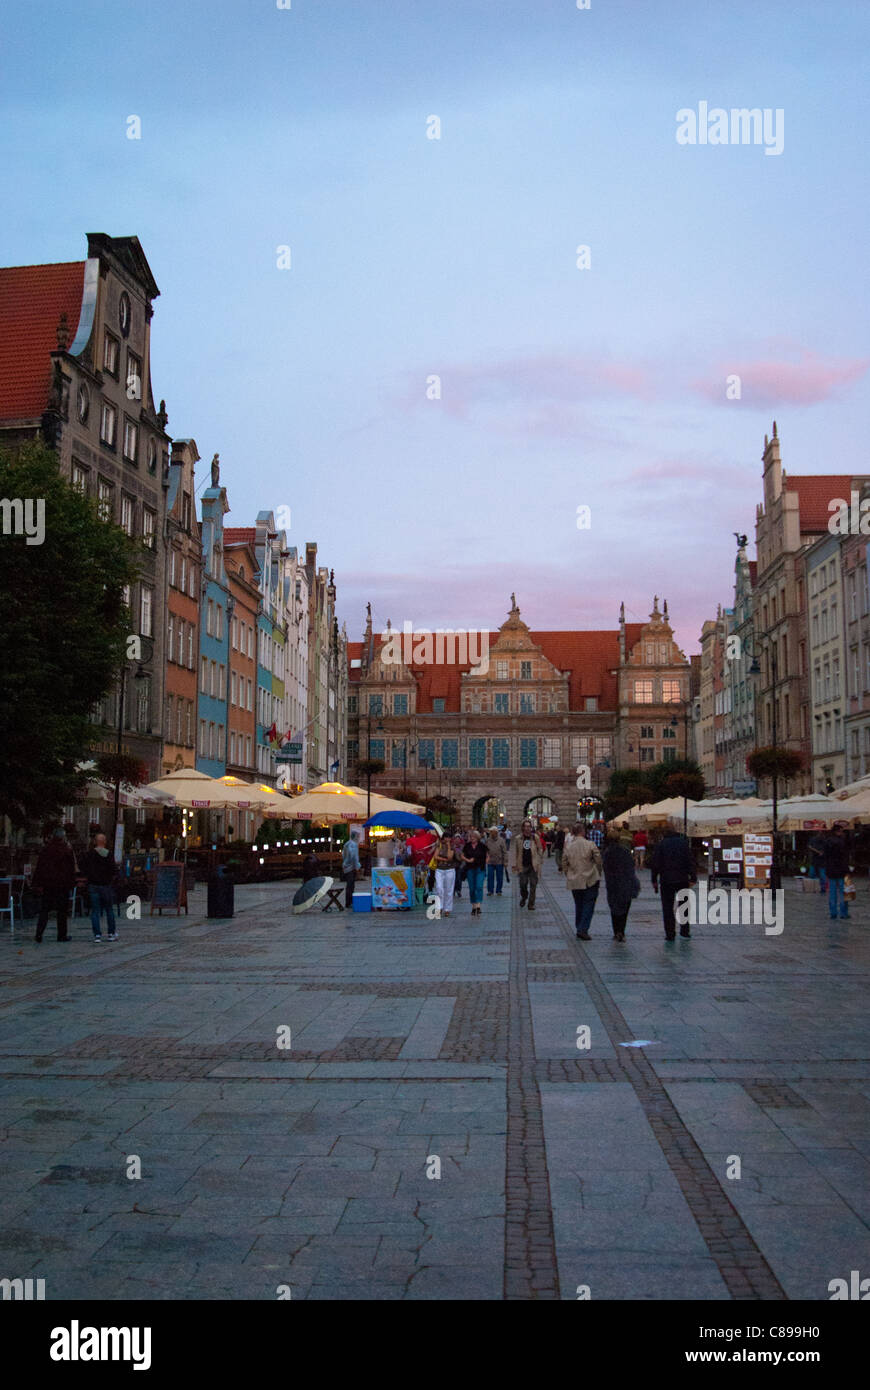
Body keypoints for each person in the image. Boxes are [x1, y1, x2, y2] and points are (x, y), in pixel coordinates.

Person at [649, 828, 697, 941]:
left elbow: (655, 863)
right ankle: (685, 931)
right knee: (684, 905)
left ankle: (670, 933)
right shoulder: (684, 844)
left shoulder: (661, 845)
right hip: (682, 879)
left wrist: (654, 879)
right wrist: (693, 876)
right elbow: (690, 861)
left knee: (667, 907)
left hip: (666, 880)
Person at [32, 827, 77, 944]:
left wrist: (37, 883)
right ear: (63, 837)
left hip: (48, 885)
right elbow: (71, 869)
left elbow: (40, 867)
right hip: (62, 885)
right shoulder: (66, 850)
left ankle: (39, 934)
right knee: (62, 911)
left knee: (44, 910)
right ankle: (61, 935)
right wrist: (72, 883)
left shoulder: (46, 849)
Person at [561, 822, 602, 938]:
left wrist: (568, 873)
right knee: (588, 904)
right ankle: (583, 929)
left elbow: (564, 862)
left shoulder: (569, 847)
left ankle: (579, 926)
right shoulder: (590, 844)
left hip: (575, 879)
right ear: (583, 832)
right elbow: (598, 860)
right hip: (590, 879)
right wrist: (598, 871)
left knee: (578, 904)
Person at [78, 831, 119, 942]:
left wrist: (89, 876)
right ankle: (111, 933)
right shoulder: (109, 854)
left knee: (95, 910)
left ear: (95, 842)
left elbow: (83, 867)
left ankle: (97, 935)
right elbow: (113, 870)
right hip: (105, 885)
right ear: (104, 842)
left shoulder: (90, 854)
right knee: (109, 909)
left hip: (93, 885)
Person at [603, 830, 639, 942]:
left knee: (614, 908)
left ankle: (616, 931)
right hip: (626, 883)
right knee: (625, 908)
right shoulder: (626, 851)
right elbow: (631, 867)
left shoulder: (607, 853)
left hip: (613, 884)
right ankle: (621, 931)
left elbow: (605, 869)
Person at [511, 818, 544, 910]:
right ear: (522, 827)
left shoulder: (535, 837)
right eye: (525, 826)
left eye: (529, 826)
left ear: (531, 827)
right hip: (523, 865)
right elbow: (515, 852)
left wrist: (539, 857)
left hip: (533, 865)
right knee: (523, 884)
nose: (527, 828)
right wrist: (514, 864)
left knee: (533, 885)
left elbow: (540, 848)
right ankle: (524, 896)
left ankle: (531, 904)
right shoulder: (518, 838)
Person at [823, 824, 851, 921]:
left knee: (832, 893)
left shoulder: (827, 842)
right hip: (841, 870)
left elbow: (825, 856)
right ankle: (843, 913)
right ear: (838, 831)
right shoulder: (842, 842)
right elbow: (845, 857)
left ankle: (833, 912)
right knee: (843, 892)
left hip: (831, 870)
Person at [461, 829, 487, 917]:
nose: (472, 838)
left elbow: (488, 856)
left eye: (474, 837)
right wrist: (468, 860)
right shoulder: (467, 846)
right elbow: (462, 855)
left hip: (480, 868)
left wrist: (485, 862)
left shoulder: (482, 846)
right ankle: (473, 906)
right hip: (470, 869)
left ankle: (478, 905)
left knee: (479, 886)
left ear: (477, 837)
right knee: (472, 888)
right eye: (471, 837)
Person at [434, 834, 457, 917]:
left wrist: (448, 846)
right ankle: (439, 907)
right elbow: (435, 856)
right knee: (439, 888)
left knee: (449, 890)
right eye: (446, 837)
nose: (447, 839)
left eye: (449, 837)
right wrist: (443, 859)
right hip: (439, 869)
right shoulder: (439, 845)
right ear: (443, 838)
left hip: (449, 869)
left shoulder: (452, 846)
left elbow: (450, 857)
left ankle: (447, 909)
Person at [485, 826, 507, 896]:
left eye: (492, 832)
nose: (491, 833)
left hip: (499, 861)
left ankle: (499, 890)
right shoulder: (488, 840)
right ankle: (490, 890)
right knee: (490, 877)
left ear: (496, 832)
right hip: (490, 861)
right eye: (490, 832)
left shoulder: (501, 840)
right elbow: (485, 850)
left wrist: (505, 861)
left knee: (499, 877)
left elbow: (504, 852)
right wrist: (486, 857)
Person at [341, 831, 360, 909]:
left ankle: (349, 902)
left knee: (350, 885)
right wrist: (357, 867)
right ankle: (349, 902)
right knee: (350, 885)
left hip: (346, 866)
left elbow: (343, 854)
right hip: (350, 867)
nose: (359, 838)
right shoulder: (353, 844)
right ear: (355, 836)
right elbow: (353, 856)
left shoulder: (347, 843)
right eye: (358, 836)